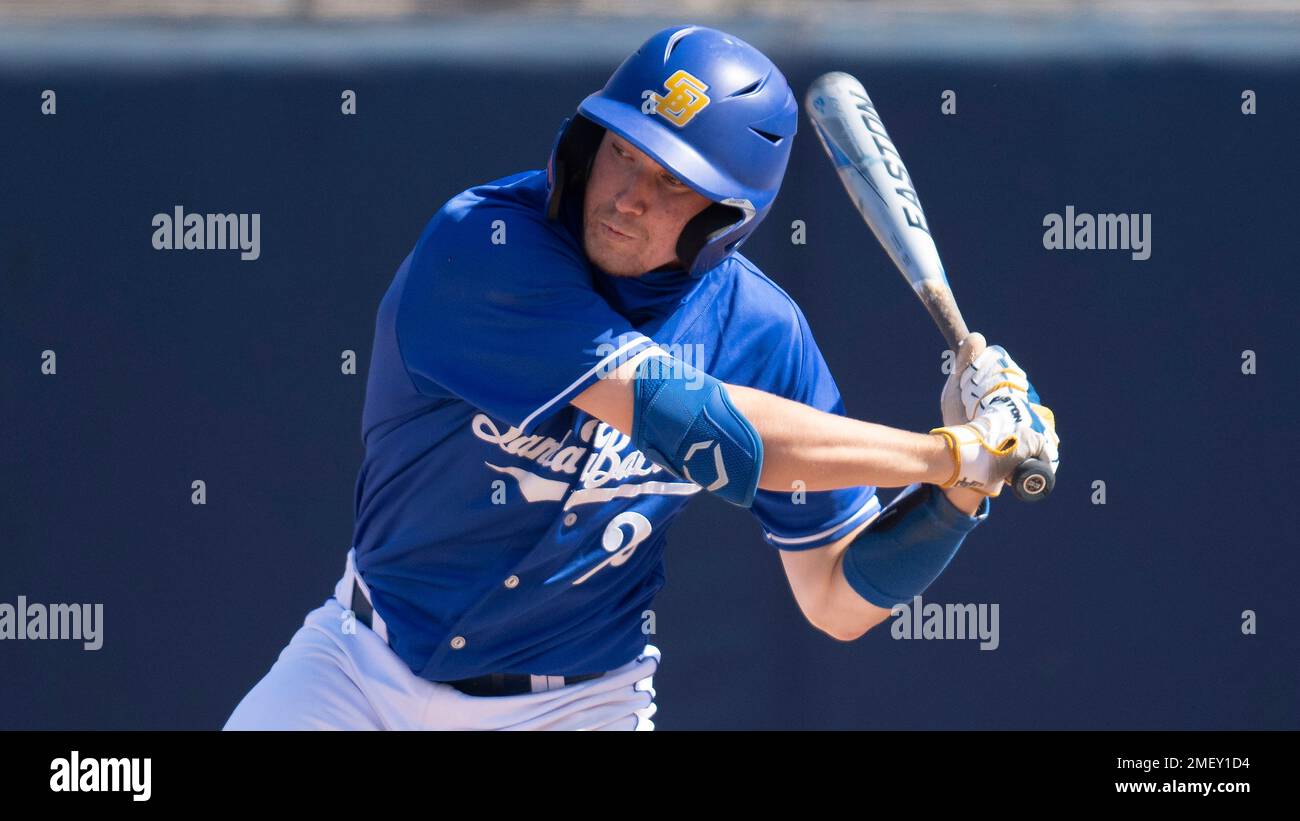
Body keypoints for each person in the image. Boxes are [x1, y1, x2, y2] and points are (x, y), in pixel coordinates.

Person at [223, 23, 1059, 731]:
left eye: (671, 181)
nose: (626, 195)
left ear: (725, 220)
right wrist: (945, 450)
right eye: (623, 151)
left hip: (575, 705)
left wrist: (964, 493)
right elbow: (696, 424)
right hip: (358, 672)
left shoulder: (761, 334)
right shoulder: (484, 248)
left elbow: (838, 599)